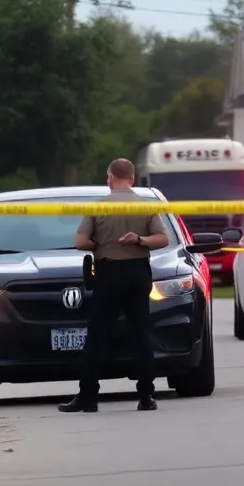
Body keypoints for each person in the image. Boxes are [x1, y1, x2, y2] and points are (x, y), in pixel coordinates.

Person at [59, 158, 169, 414]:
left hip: (108, 274)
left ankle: (88, 397)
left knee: (97, 335)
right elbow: (162, 239)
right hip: (138, 272)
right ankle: (146, 396)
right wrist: (139, 239)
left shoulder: (98, 208)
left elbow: (80, 242)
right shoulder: (146, 207)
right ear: (132, 178)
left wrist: (100, 245)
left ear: (110, 178)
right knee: (141, 333)